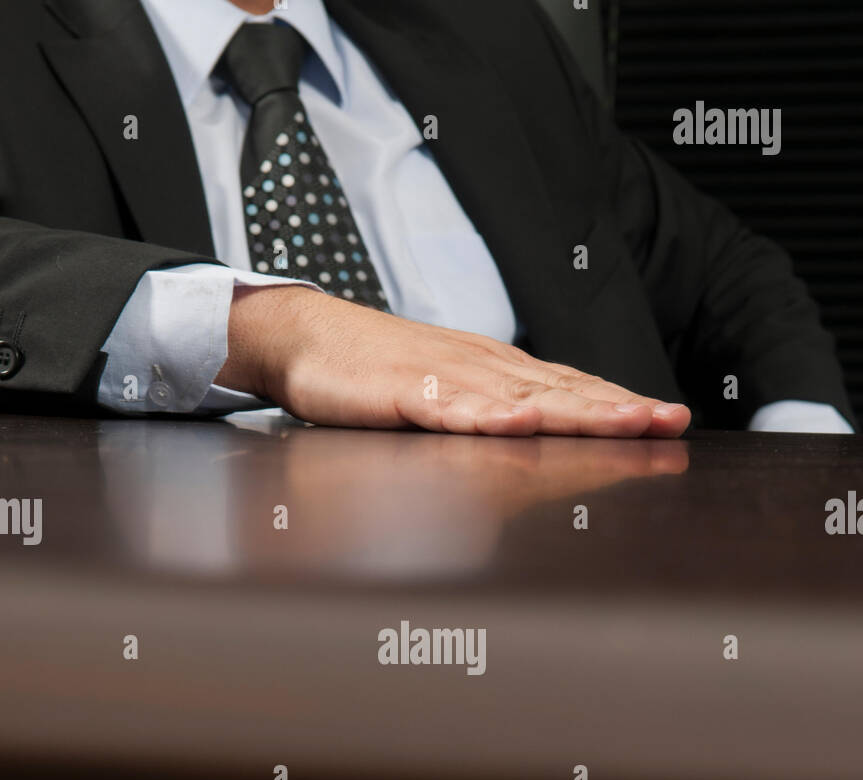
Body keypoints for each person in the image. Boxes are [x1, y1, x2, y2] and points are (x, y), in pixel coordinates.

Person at [0, 0, 853, 437]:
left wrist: (793, 475)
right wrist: (271, 329)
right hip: (208, 645)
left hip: (598, 607)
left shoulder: (484, 33)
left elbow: (724, 275)